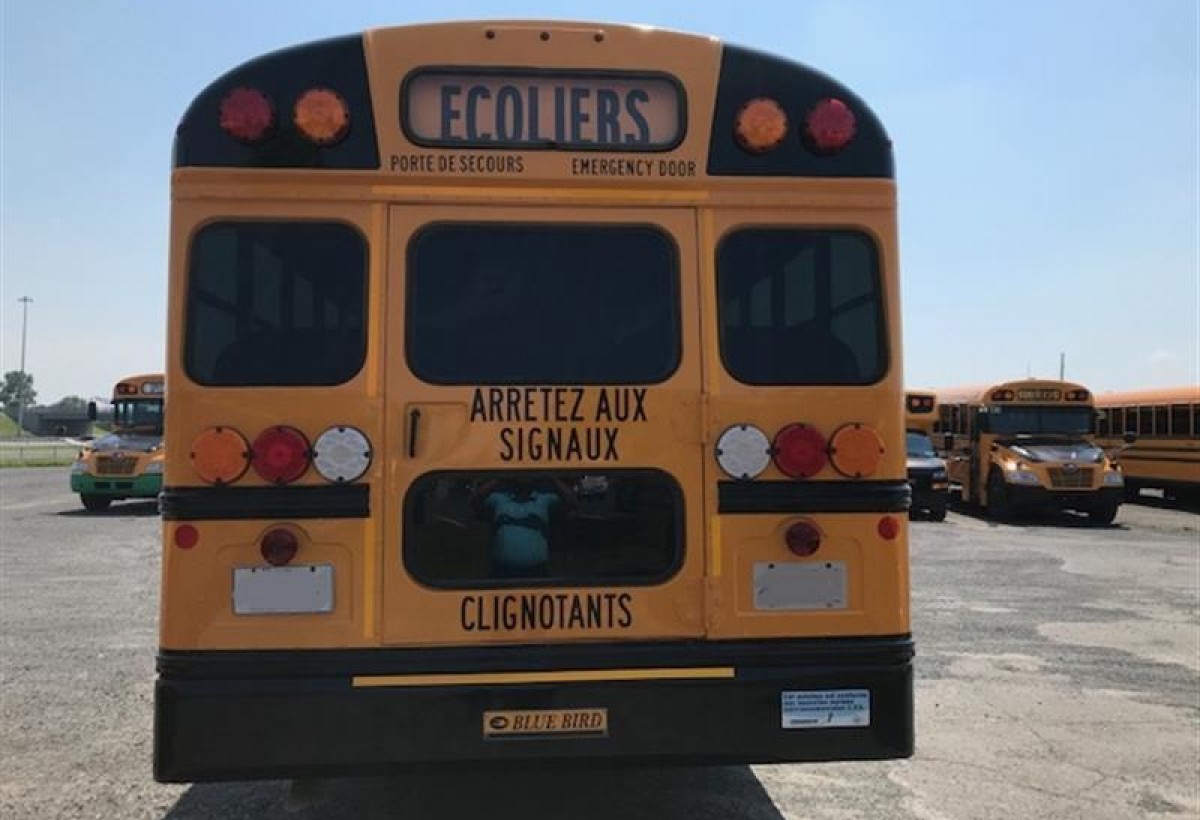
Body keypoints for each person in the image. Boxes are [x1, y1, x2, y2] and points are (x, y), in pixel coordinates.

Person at [472, 478, 575, 579]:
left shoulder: (544, 498)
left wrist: (551, 477)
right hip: (501, 572)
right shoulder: (499, 497)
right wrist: (499, 477)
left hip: (536, 572)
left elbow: (572, 502)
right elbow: (475, 501)